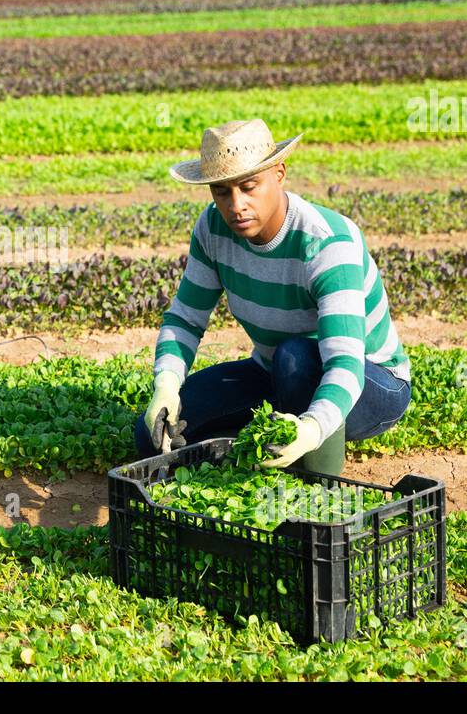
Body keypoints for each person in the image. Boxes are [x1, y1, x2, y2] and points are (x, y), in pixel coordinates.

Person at [136, 119, 412, 468]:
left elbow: (345, 363)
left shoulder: (327, 244)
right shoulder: (213, 228)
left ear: (279, 174)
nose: (236, 205)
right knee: (152, 439)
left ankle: (310, 447)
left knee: (294, 357)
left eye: (249, 186)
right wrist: (167, 384)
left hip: (370, 382)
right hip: (272, 371)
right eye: (222, 191)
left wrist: (311, 429)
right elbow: (186, 319)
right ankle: (264, 435)